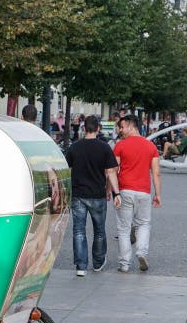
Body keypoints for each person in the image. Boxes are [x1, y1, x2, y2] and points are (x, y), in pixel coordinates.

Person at [65, 115, 120, 276]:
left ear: (83, 128)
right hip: (97, 194)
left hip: (78, 194)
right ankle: (98, 261)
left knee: (79, 231)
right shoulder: (104, 148)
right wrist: (116, 193)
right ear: (98, 129)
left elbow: (67, 170)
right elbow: (111, 172)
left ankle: (81, 266)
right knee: (99, 230)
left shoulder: (74, 147)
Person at [113, 114, 161, 273]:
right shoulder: (151, 147)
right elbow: (156, 173)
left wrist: (111, 191)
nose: (120, 130)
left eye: (123, 126)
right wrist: (158, 194)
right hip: (144, 191)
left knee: (124, 228)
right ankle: (141, 252)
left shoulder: (120, 146)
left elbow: (113, 171)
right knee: (144, 224)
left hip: (125, 189)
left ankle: (124, 264)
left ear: (132, 126)